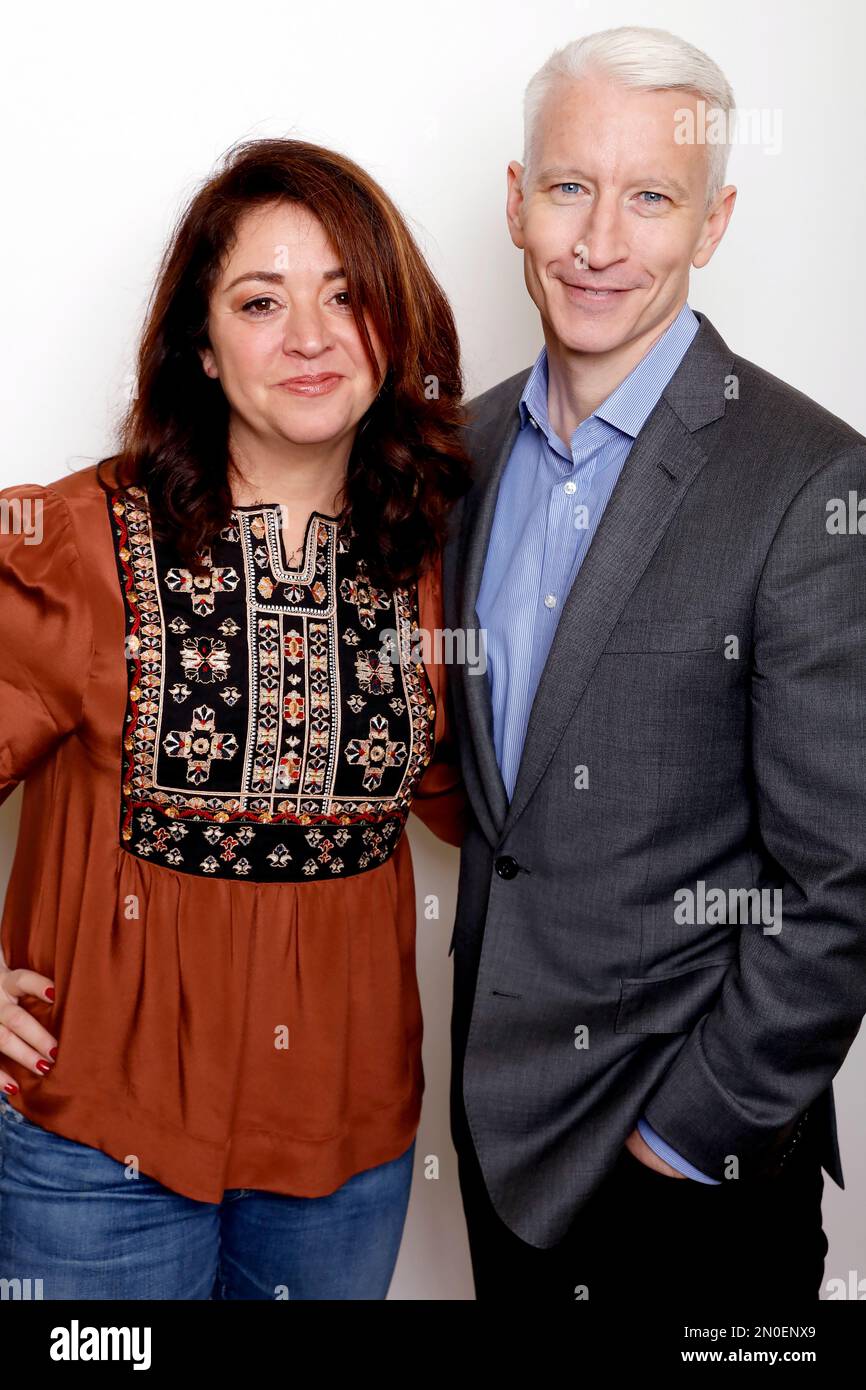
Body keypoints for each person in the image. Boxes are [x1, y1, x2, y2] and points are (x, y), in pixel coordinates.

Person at [0, 136, 469, 1300]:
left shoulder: (438, 564)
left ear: (391, 329)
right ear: (202, 350)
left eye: (345, 296)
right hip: (89, 1150)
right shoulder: (68, 544)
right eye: (260, 302)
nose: (310, 337)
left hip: (345, 1157)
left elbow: (493, 817)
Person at [444, 25, 866, 1303]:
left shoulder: (807, 481)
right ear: (515, 202)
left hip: (688, 1169)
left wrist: (689, 1133)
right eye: (569, 187)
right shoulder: (453, 455)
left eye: (650, 198)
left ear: (713, 219)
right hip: (495, 1137)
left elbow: (842, 877)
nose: (598, 241)